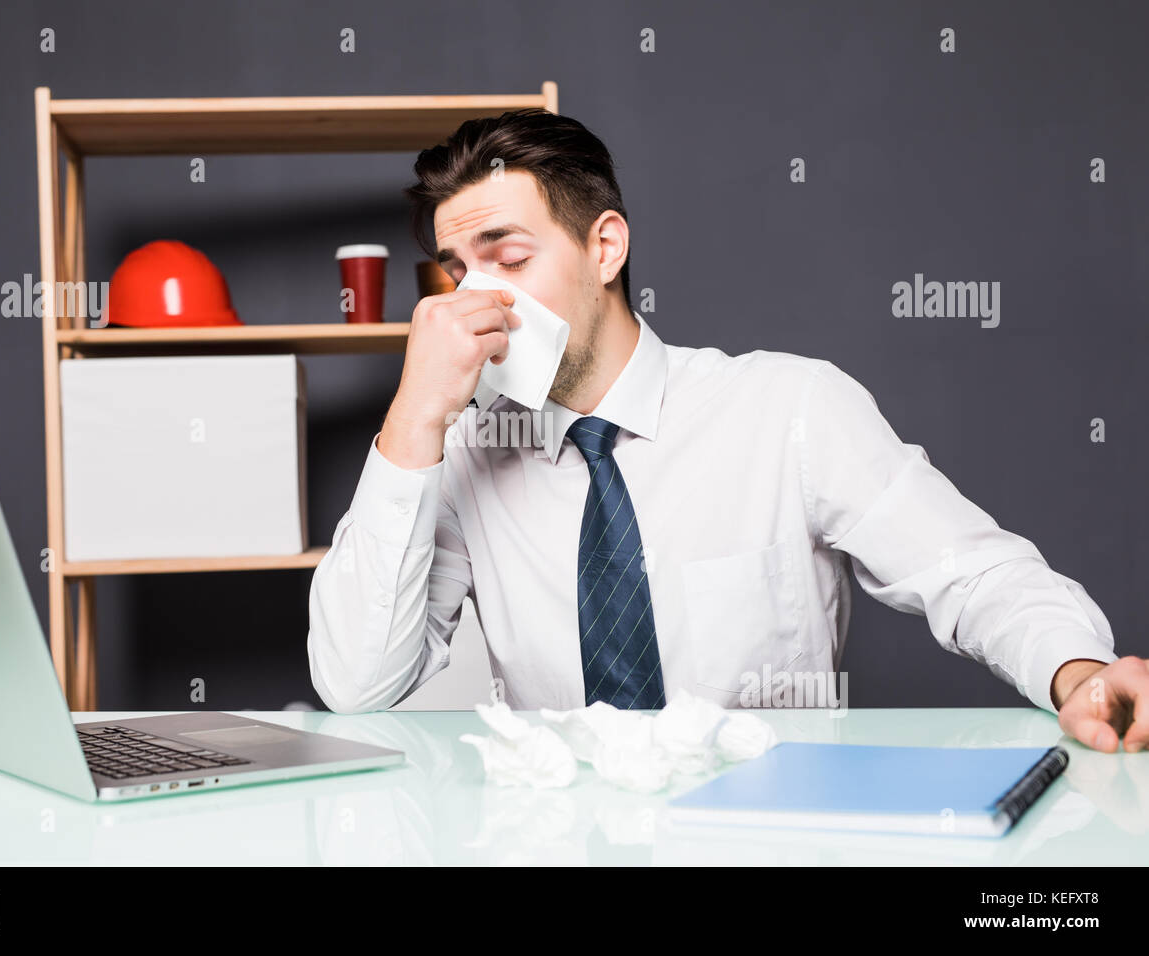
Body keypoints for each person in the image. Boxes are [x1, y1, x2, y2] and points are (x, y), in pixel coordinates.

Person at [307, 108, 1146, 754]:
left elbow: (971, 574)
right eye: (458, 270)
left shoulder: (790, 408)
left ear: (605, 248)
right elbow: (357, 683)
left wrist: (1078, 671)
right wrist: (416, 416)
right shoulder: (456, 454)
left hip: (770, 840)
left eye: (508, 256)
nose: (477, 298)